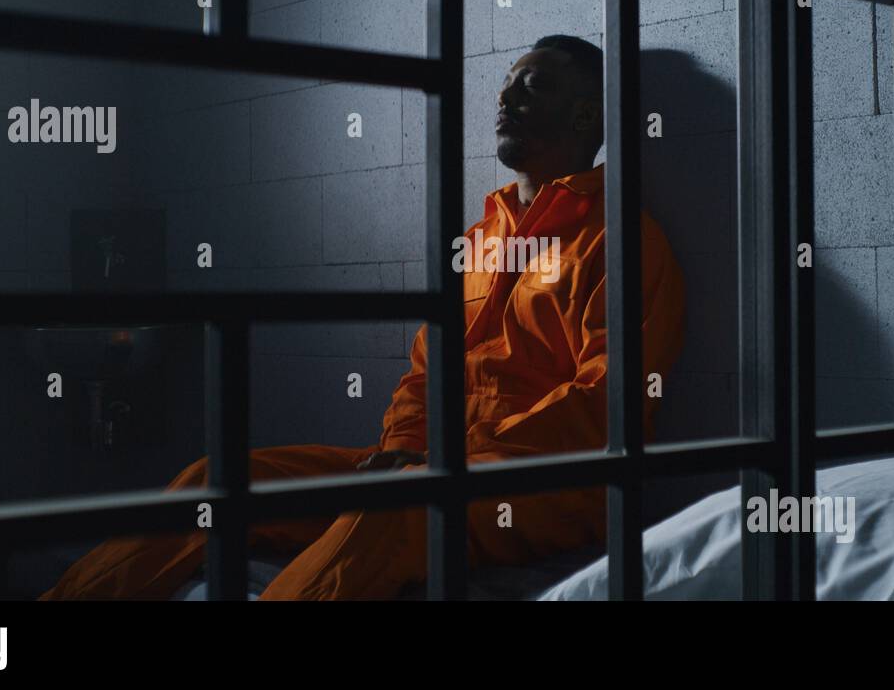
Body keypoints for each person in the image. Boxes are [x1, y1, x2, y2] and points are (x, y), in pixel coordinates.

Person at [40, 34, 686, 600]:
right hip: (433, 462)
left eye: (533, 83)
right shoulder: (479, 241)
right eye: (506, 81)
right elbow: (423, 374)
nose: (505, 96)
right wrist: (406, 445)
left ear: (585, 113)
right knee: (219, 479)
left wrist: (451, 460)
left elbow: (610, 399)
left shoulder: (621, 238)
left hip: (551, 485)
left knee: (395, 503)